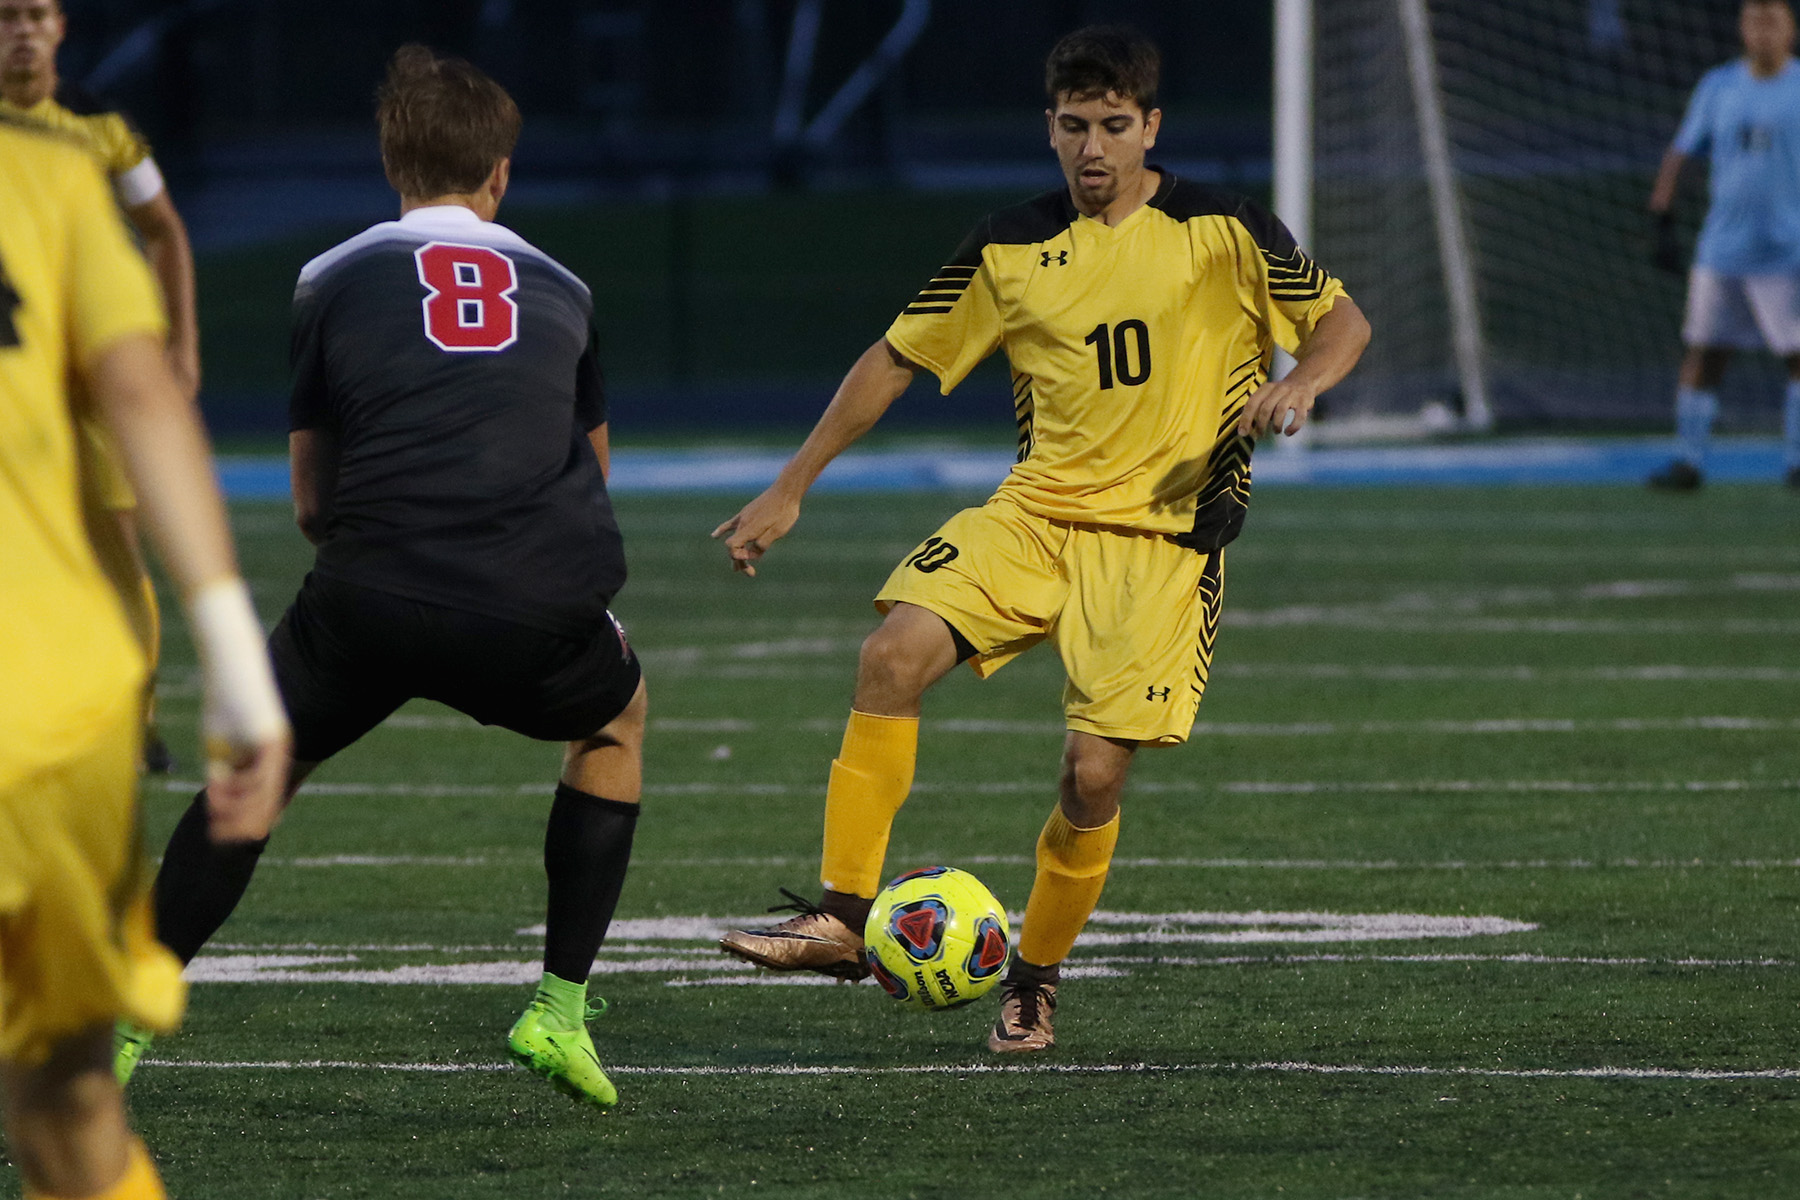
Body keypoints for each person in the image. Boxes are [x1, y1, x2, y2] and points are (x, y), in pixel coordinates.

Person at [713, 26, 1369, 1053]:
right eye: (1075, 127)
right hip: (1032, 518)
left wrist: (1300, 380)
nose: (1094, 148)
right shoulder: (1008, 245)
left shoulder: (1225, 227)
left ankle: (1035, 975)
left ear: (1151, 126)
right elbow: (892, 358)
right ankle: (844, 919)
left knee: (1090, 779)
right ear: (1050, 129)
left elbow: (1342, 323)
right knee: (889, 656)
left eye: (1115, 126)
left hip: (1163, 546)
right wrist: (790, 486)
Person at [115, 45, 646, 1111]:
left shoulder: (329, 276)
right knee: (618, 719)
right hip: (535, 599)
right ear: (500, 172)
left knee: (258, 768)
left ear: (389, 163)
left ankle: (124, 1024)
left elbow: (314, 503)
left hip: (366, 593)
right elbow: (589, 481)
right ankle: (558, 1008)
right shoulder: (568, 286)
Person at [1, 114, 288, 1200]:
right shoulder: (49, 172)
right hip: (47, 703)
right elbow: (142, 391)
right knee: (64, 1103)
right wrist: (236, 665)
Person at [1, 0, 204, 769]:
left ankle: (134, 717)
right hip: (14, 369)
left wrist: (182, 343)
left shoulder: (99, 124)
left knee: (118, 542)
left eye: (34, 15)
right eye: (7, 16)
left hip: (92, 370)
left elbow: (163, 228)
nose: (21, 30)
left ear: (60, 28)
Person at [1648, 0, 1800, 490]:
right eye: (1753, 21)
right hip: (1722, 250)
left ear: (1790, 30)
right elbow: (1684, 151)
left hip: (1787, 251)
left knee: (1798, 355)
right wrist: (1662, 217)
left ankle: (1798, 461)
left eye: (1772, 21)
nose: (1762, 31)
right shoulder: (1719, 86)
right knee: (1705, 352)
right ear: (1741, 29)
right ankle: (1688, 461)